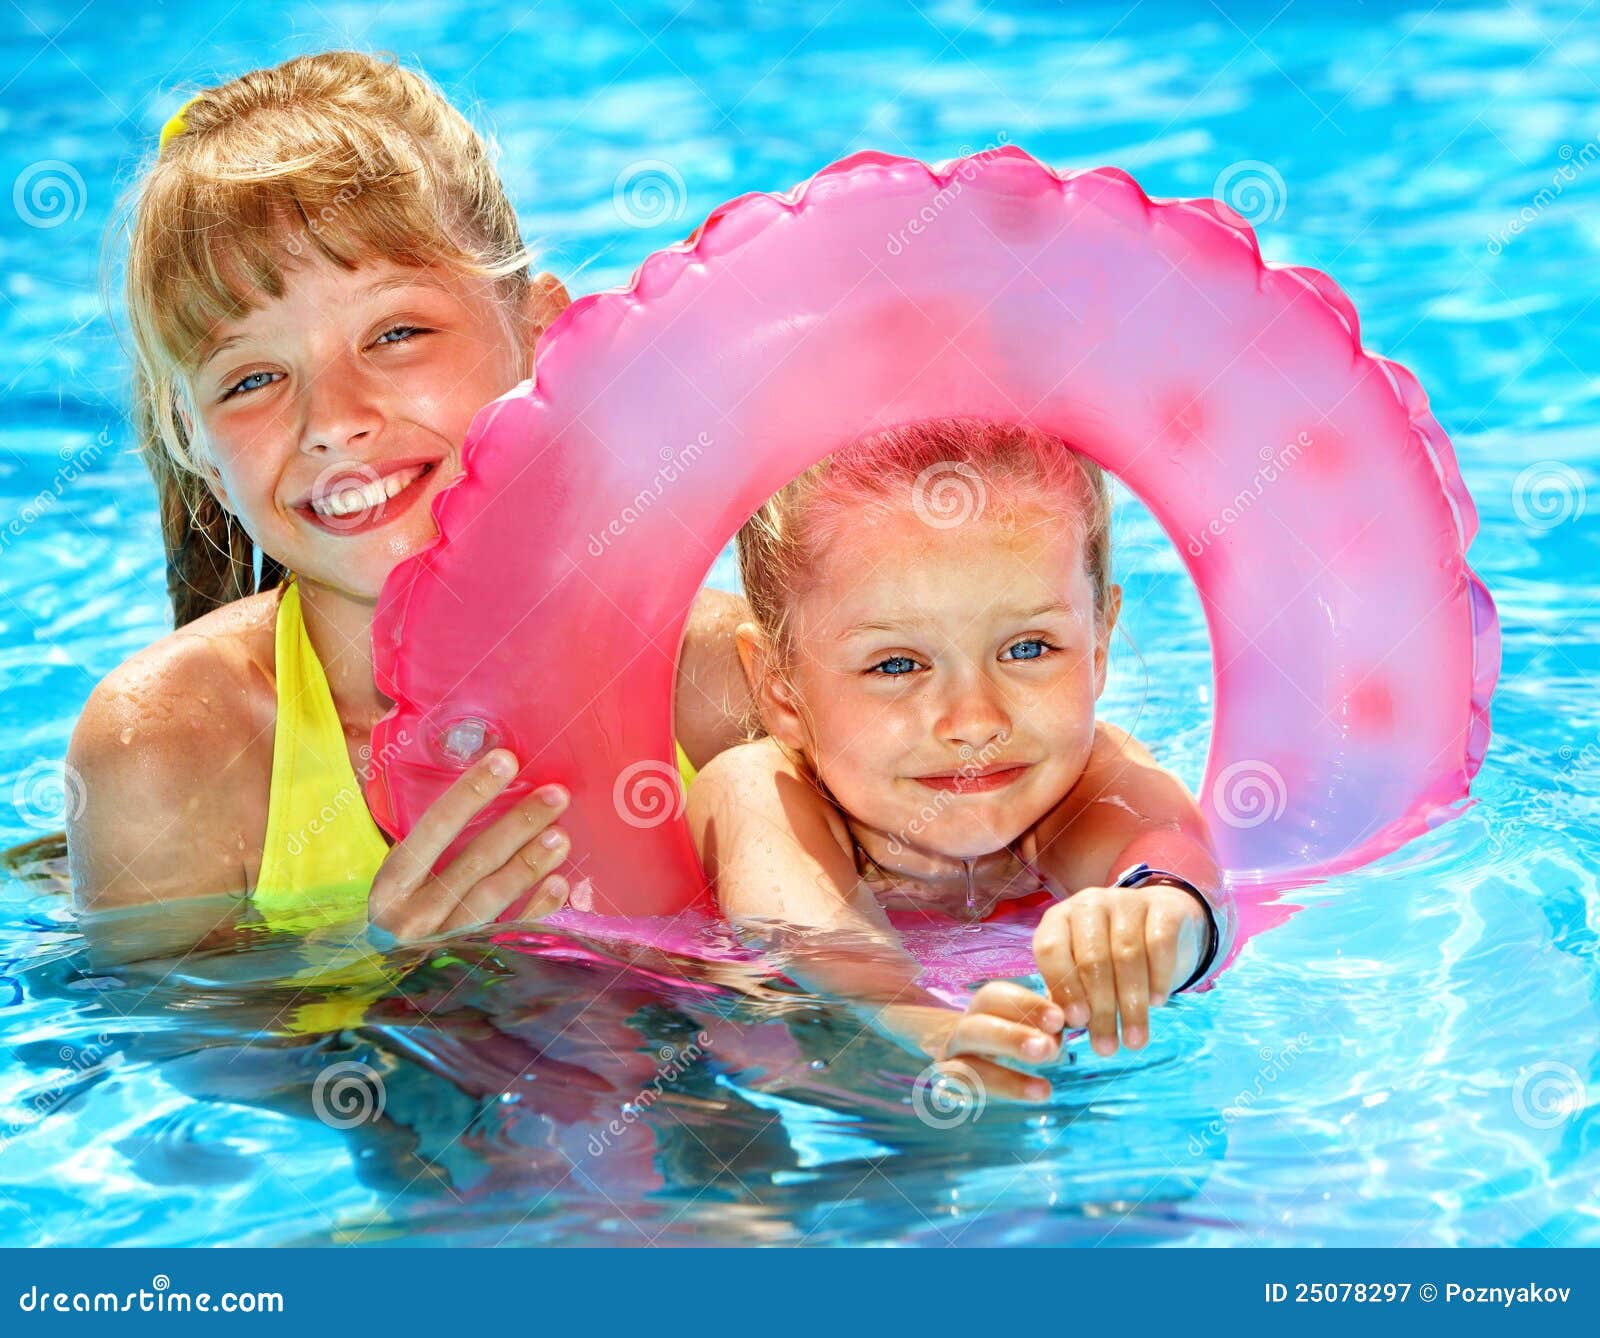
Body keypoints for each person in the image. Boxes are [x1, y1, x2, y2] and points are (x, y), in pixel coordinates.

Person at [67, 51, 752, 947]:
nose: (334, 421)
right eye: (253, 378)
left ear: (542, 334)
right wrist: (398, 974)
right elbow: (193, 1063)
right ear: (192, 438)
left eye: (395, 333)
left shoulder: (720, 684)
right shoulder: (170, 754)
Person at [688, 419, 1235, 1099]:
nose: (975, 721)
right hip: (782, 1054)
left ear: (1098, 646)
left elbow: (1183, 877)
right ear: (782, 690)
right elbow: (811, 939)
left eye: (1029, 648)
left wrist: (1152, 928)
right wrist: (929, 1027)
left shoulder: (1090, 780)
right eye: (896, 664)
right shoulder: (756, 787)